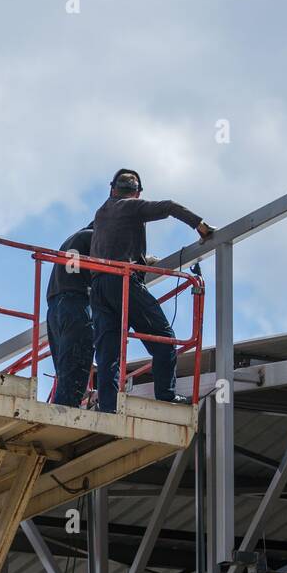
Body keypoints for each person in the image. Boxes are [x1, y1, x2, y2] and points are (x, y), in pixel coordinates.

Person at [89, 168, 213, 412]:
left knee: (108, 352)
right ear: (137, 193)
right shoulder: (131, 207)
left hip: (99, 287)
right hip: (122, 282)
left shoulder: (101, 213)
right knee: (164, 339)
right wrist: (200, 225)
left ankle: (108, 407)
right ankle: (166, 396)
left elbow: (114, 241)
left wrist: (144, 260)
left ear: (112, 189)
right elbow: (168, 206)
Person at [45, 225, 95, 407]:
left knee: (66, 370)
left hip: (55, 308)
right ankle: (63, 413)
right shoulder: (95, 237)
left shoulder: (73, 239)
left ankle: (62, 407)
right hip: (76, 304)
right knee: (75, 368)